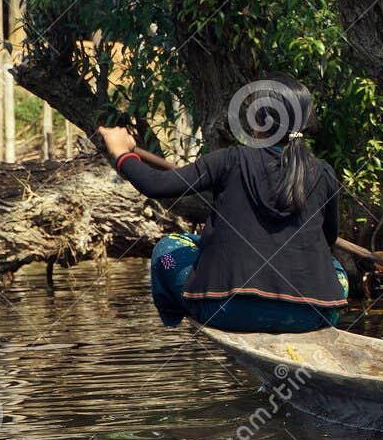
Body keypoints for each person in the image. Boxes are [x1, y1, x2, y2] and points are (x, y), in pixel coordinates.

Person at [95, 76, 349, 333]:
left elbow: (155, 185)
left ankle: (180, 310)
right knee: (336, 269)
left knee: (167, 249)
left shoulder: (229, 160)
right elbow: (328, 238)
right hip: (311, 313)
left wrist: (121, 153)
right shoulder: (324, 173)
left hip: (225, 311)